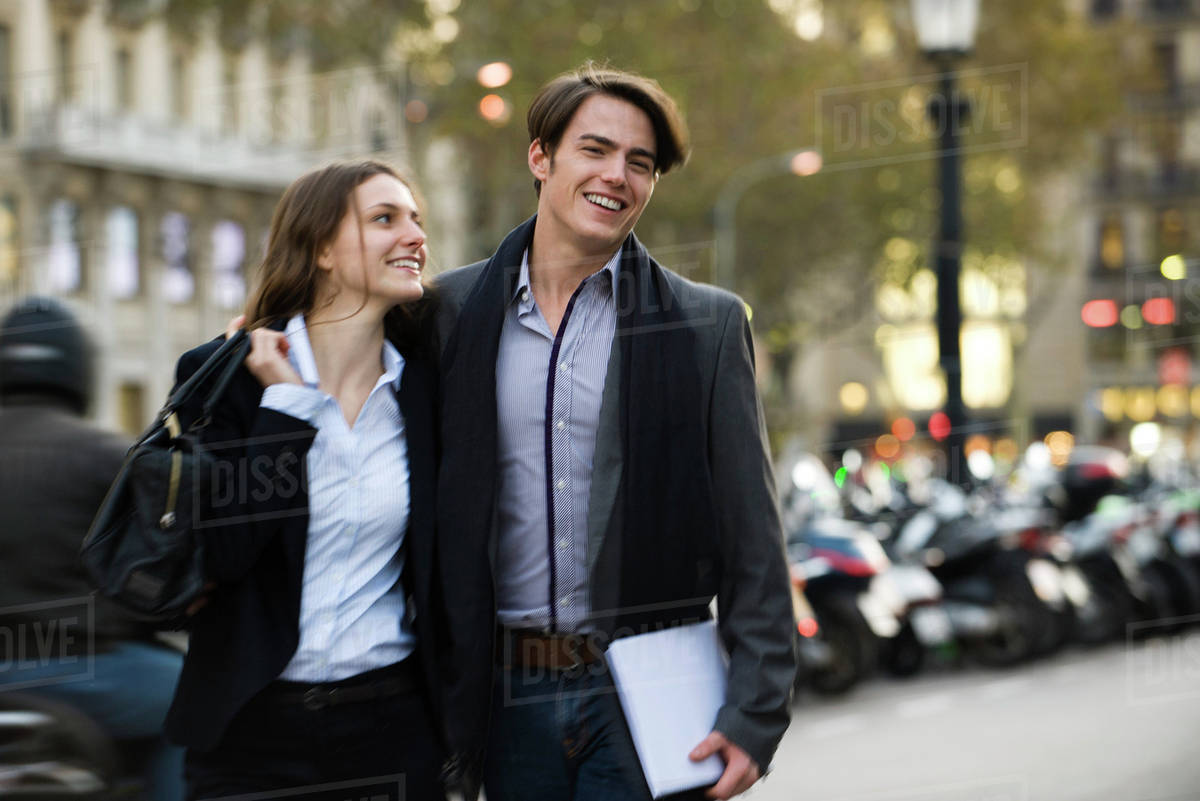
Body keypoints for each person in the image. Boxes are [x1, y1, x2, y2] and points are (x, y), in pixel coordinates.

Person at [434, 64, 795, 801]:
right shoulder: (451, 311)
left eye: (641, 162)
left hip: (650, 691)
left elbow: (751, 535)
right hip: (502, 693)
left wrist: (755, 711)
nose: (618, 176)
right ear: (541, 157)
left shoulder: (706, 324)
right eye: (595, 150)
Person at [164, 160, 446, 801]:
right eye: (385, 219)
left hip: (392, 725)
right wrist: (286, 410)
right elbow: (228, 554)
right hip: (250, 731)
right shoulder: (223, 375)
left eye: (416, 220)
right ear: (320, 248)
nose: (414, 236)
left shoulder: (429, 383)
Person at [0, 296, 185, 801]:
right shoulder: (107, 458)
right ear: (79, 369)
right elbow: (156, 581)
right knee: (192, 701)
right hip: (84, 670)